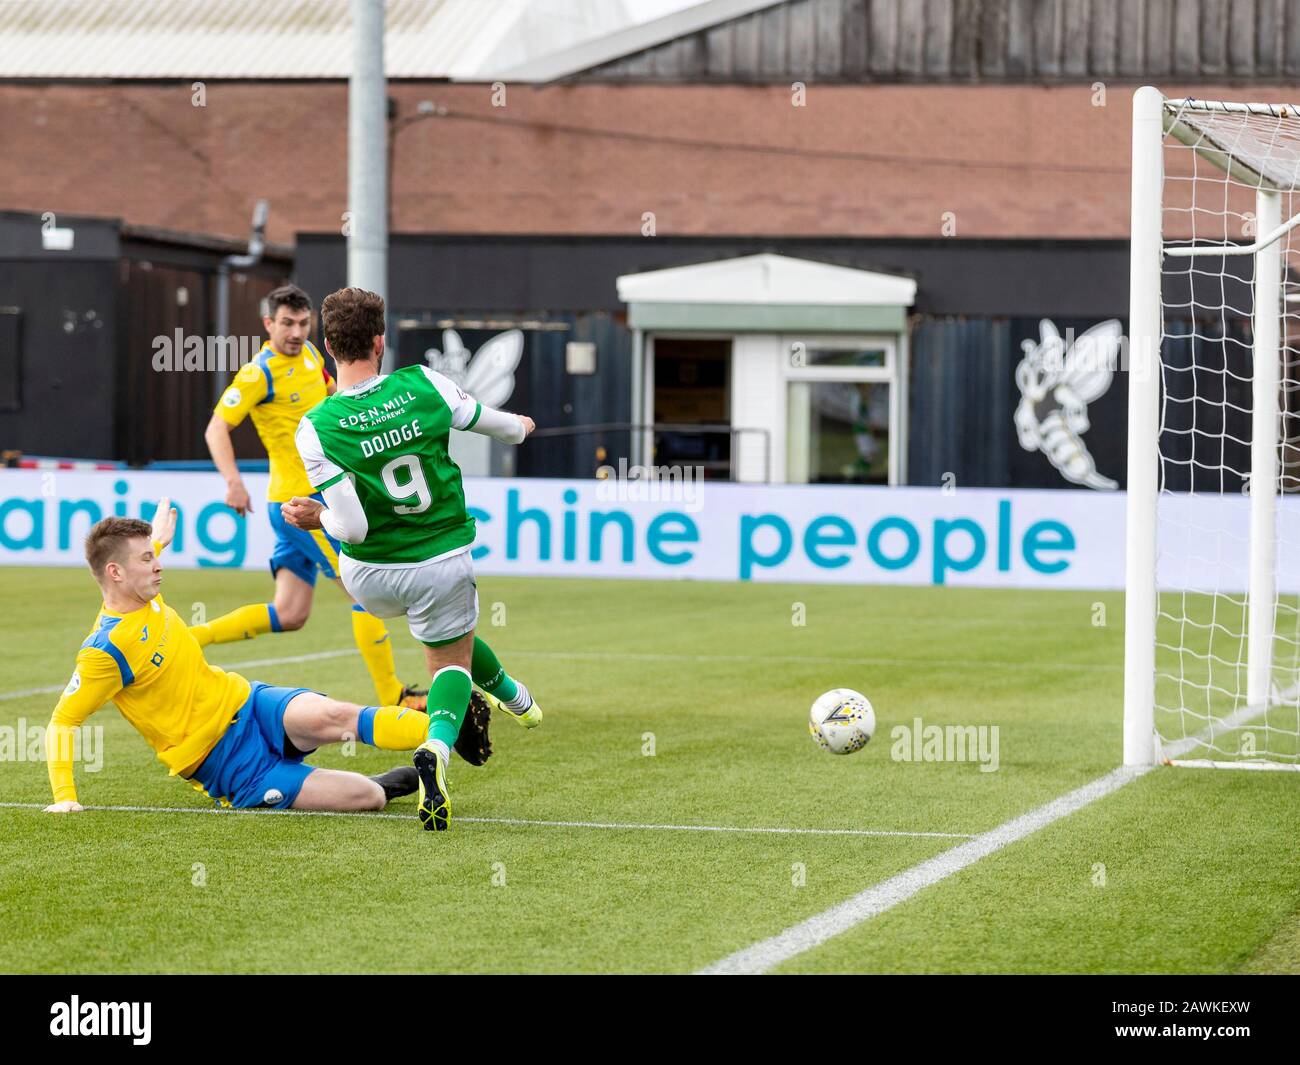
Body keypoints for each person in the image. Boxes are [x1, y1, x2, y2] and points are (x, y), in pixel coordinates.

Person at [286, 286, 540, 831]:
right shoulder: (422, 385)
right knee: (450, 660)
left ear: (329, 345)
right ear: (381, 342)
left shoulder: (317, 425)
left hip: (368, 578)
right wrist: (520, 426)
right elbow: (497, 425)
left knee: (455, 634)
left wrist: (316, 520)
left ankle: (518, 699)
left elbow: (349, 526)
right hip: (437, 559)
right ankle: (437, 752)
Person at [44, 500, 440, 816]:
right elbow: (64, 719)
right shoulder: (105, 650)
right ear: (114, 572)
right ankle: (377, 783)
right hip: (225, 761)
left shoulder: (139, 589)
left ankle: (445, 732)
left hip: (248, 703)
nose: (158, 564)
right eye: (147, 559)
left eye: (155, 554)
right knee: (367, 796)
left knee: (334, 715)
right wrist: (64, 795)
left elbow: (146, 553)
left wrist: (157, 536)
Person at [199, 284, 427, 711]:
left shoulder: (311, 358)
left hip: (297, 503)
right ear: (268, 324)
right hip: (300, 503)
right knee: (364, 592)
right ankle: (393, 696)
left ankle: (190, 639)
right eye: (286, 323)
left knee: (289, 613)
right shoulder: (257, 373)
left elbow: (333, 401)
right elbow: (216, 429)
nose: (296, 332)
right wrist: (233, 482)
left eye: (304, 324)